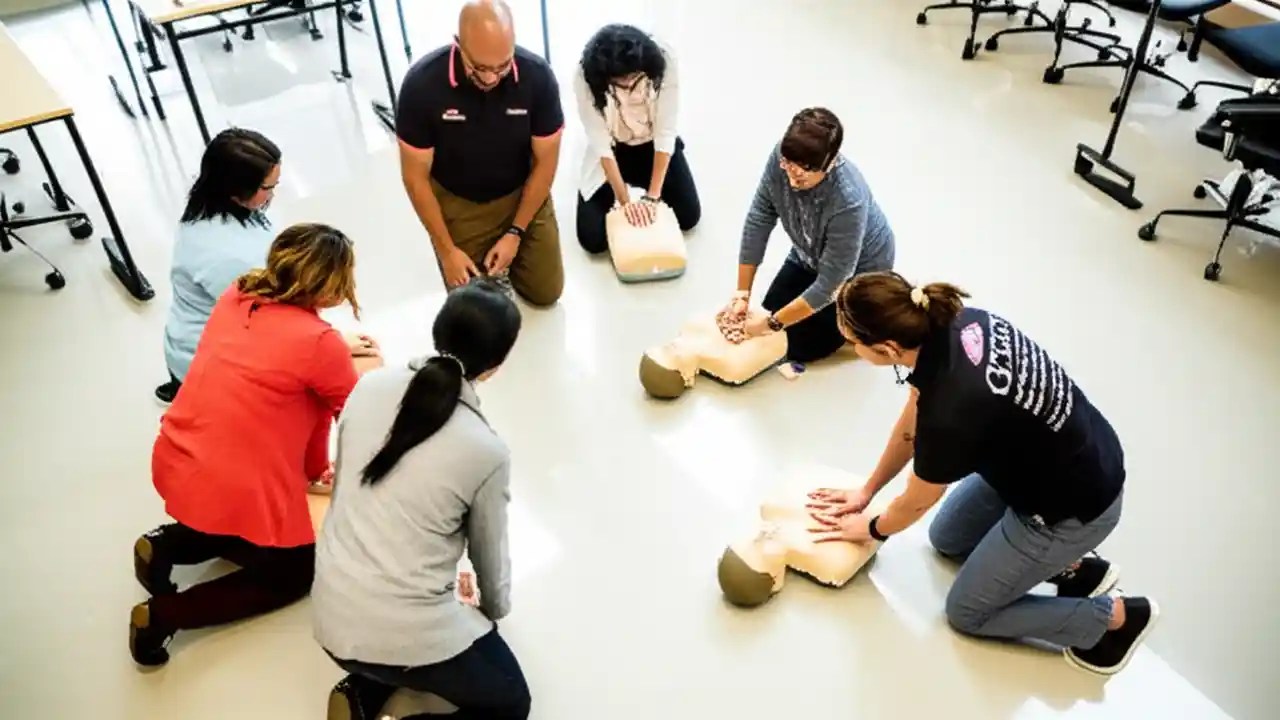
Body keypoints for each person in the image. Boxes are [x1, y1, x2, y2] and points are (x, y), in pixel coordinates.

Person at [807, 271, 1158, 676]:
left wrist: (871, 529)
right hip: (1060, 454)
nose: (851, 349)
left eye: (853, 343)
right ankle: (1071, 567)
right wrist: (867, 490)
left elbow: (918, 500)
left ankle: (1115, 618)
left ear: (887, 347)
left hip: (1073, 505)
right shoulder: (954, 321)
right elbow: (912, 422)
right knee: (947, 539)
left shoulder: (951, 408)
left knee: (967, 612)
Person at [129, 223, 383, 667]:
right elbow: (358, 416)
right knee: (293, 571)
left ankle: (166, 546)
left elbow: (278, 344)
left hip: (182, 453)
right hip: (238, 483)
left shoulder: (238, 295)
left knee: (230, 520)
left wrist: (334, 343)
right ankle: (163, 616)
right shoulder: (319, 345)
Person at [313, 278, 529, 719]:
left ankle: (363, 691)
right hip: (402, 631)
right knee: (511, 702)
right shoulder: (485, 450)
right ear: (495, 365)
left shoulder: (368, 387)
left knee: (395, 637)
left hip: (330, 615)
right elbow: (493, 576)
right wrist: (483, 613)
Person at [395, 0, 565, 306]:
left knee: (547, 293)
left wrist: (516, 231)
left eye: (501, 67)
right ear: (458, 46)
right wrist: (447, 250)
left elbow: (546, 161)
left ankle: (506, 251)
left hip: (520, 190)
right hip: (460, 200)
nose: (490, 78)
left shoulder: (537, 77)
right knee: (474, 310)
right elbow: (415, 177)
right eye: (480, 68)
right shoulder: (421, 86)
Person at [725, 107, 895, 364]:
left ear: (831, 161)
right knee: (770, 317)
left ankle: (877, 308)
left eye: (805, 169)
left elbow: (831, 283)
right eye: (788, 164)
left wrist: (772, 324)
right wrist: (742, 293)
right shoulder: (782, 156)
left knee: (797, 346)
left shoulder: (849, 199)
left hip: (855, 277)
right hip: (807, 255)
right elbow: (760, 217)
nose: (793, 174)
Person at [156, 128, 281, 404]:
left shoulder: (212, 206)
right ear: (237, 189)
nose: (273, 194)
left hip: (198, 338)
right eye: (267, 188)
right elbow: (274, 324)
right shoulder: (229, 256)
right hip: (211, 367)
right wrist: (337, 347)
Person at [573, 23, 700, 254]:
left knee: (689, 216)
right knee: (592, 240)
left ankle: (647, 183)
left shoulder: (664, 60)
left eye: (635, 80)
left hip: (652, 143)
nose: (629, 89)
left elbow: (665, 132)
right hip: (613, 148)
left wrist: (651, 197)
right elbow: (600, 142)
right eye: (620, 85)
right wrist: (625, 200)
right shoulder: (585, 77)